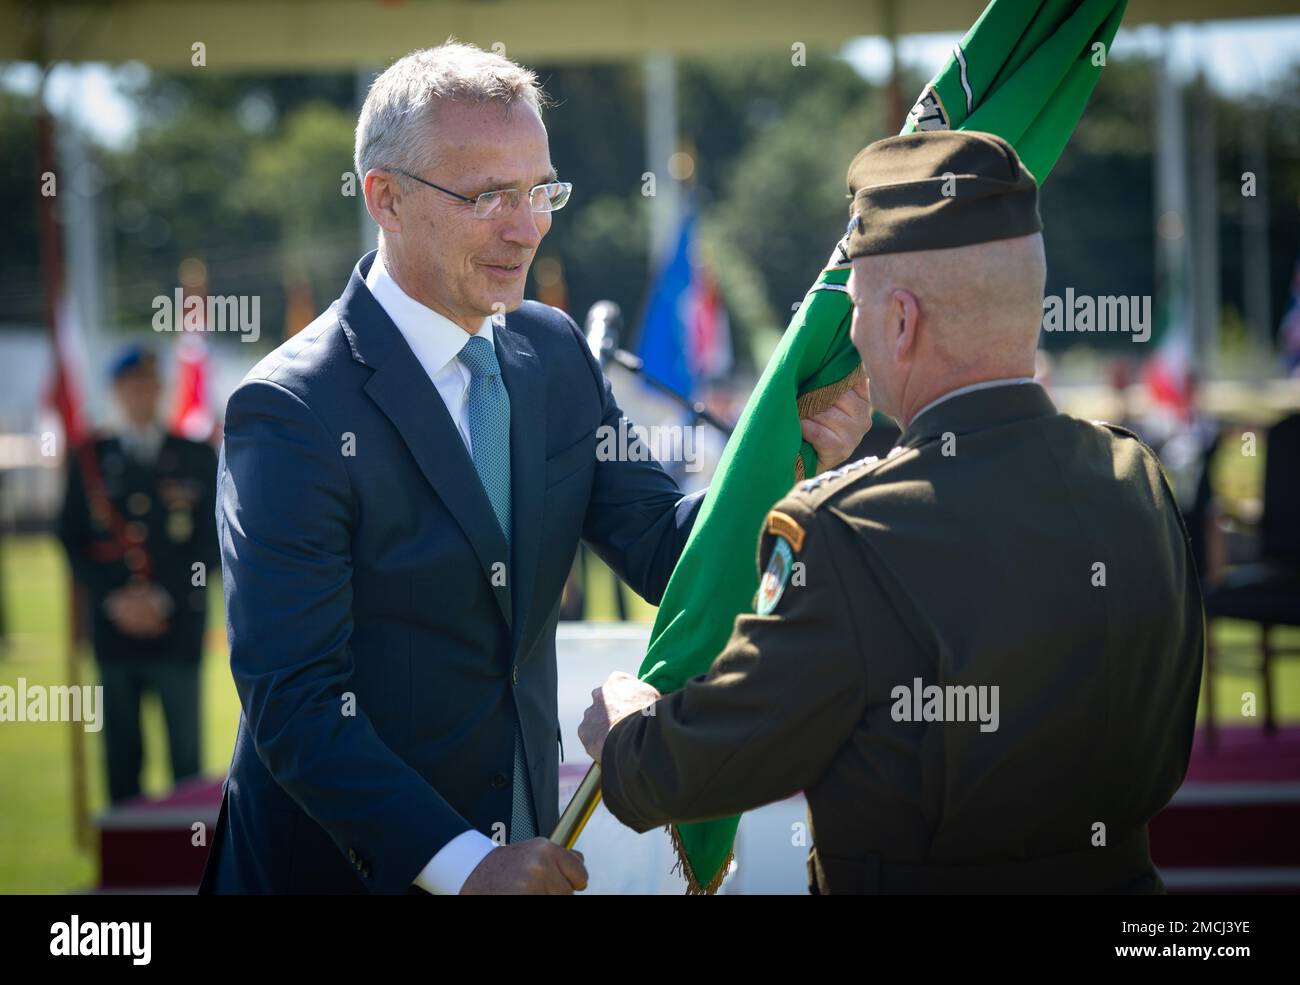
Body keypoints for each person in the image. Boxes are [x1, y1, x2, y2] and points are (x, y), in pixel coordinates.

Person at [197, 41, 870, 896]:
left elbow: (667, 547)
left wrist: (793, 455)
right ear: (386, 199)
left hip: (523, 850)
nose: (529, 225)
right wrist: (463, 863)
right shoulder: (291, 410)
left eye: (540, 189)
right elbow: (295, 707)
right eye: (488, 196)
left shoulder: (550, 351)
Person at [580, 130, 1205, 894]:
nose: (851, 331)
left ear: (902, 321)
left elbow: (698, 766)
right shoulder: (1134, 476)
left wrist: (626, 728)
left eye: (858, 307)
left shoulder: (843, 535)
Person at [58, 345, 218, 804]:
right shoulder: (89, 458)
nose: (142, 394)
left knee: (187, 768)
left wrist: (163, 599)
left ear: (161, 389)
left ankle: (190, 871)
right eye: (132, 386)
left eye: (149, 384)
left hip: (178, 632)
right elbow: (71, 539)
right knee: (121, 764)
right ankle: (126, 875)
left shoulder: (195, 457)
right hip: (114, 633)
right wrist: (115, 600)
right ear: (116, 392)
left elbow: (211, 541)